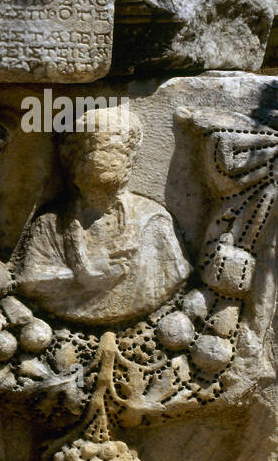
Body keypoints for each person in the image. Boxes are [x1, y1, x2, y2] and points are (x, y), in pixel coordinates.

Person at [14, 105, 189, 325]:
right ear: (70, 157)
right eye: (90, 147)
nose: (99, 157)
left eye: (113, 146)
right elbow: (29, 279)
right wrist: (81, 274)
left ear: (131, 157)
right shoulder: (49, 224)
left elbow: (174, 272)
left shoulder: (153, 221)